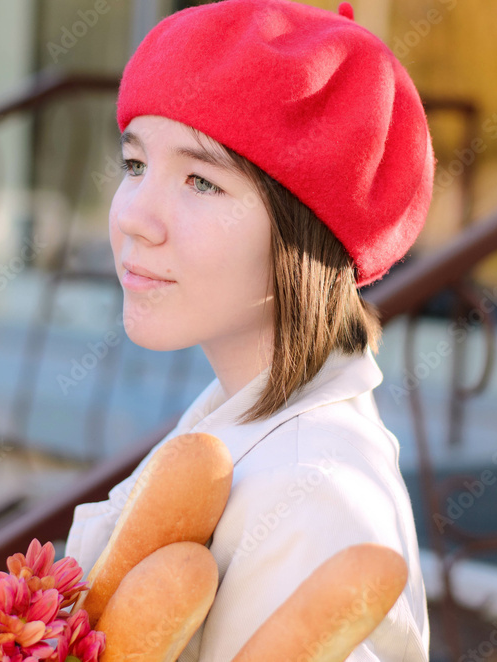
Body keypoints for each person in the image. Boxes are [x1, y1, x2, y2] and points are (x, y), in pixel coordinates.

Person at [64, 0, 436, 660]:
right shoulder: (235, 428)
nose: (134, 218)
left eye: (201, 182)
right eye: (135, 165)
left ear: (304, 229)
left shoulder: (311, 495)